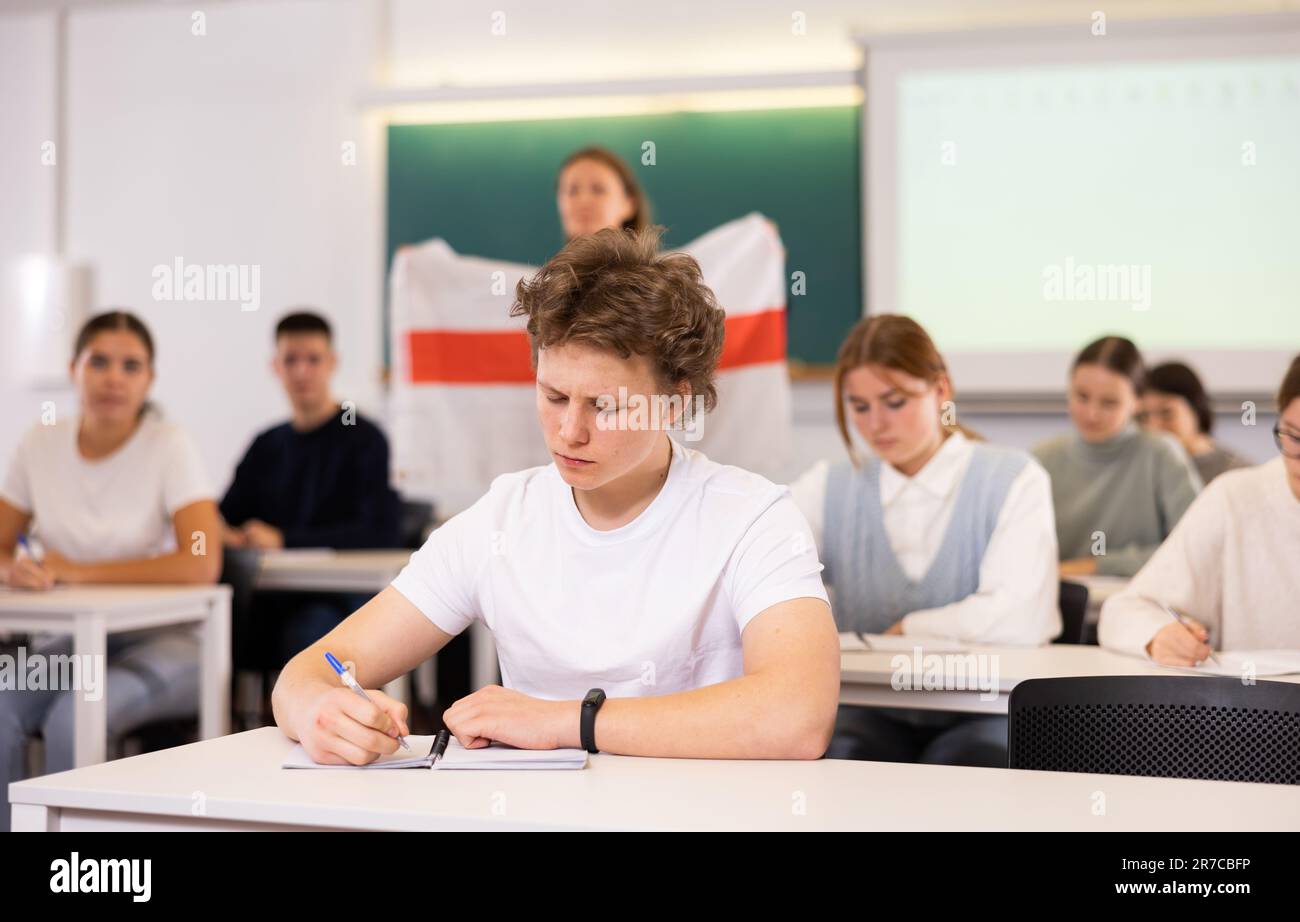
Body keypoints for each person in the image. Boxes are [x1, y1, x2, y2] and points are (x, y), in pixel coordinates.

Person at [271, 226, 839, 765]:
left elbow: (798, 714)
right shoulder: (500, 520)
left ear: (674, 403)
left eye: (605, 405)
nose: (570, 432)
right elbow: (308, 672)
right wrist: (318, 709)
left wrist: (566, 723)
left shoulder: (752, 517)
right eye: (553, 395)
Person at [790, 314, 1059, 767]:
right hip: (871, 709)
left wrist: (911, 628)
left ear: (941, 390)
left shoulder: (1014, 479)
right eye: (859, 406)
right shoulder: (828, 485)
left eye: (895, 402)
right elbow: (763, 562)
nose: (876, 424)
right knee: (842, 759)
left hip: (982, 710)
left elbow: (1020, 618)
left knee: (971, 765)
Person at [0, 310, 221, 832]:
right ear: (74, 367)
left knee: (73, 718)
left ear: (150, 379)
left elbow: (201, 562)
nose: (113, 378)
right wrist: (11, 569)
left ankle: (75, 871)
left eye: (131, 365)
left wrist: (75, 572)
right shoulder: (40, 443)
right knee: (2, 706)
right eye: (99, 362)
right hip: (78, 642)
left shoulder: (169, 444)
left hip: (170, 643)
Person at [220, 310, 401, 659]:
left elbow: (379, 531)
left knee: (308, 632)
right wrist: (222, 532)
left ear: (332, 363)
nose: (302, 371)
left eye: (313, 360)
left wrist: (283, 540)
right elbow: (224, 515)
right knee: (228, 627)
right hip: (271, 593)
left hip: (335, 595)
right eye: (291, 360)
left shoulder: (365, 439)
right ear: (276, 366)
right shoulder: (266, 444)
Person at [1100, 354, 1300, 664]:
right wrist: (1159, 635)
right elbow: (1122, 611)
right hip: (1256, 709)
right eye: (1293, 436)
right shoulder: (1235, 498)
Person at [1033, 336, 1201, 578]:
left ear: (1137, 402)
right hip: (1057, 604)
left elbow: (1195, 547)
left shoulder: (1161, 455)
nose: (1092, 413)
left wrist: (1095, 566)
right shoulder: (1041, 459)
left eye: (1109, 403)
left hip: (1143, 602)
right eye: (1081, 397)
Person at [1139, 360, 1251, 485]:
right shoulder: (1141, 468)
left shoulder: (1236, 472)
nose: (1153, 426)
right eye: (1144, 416)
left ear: (1196, 410)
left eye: (1167, 413)